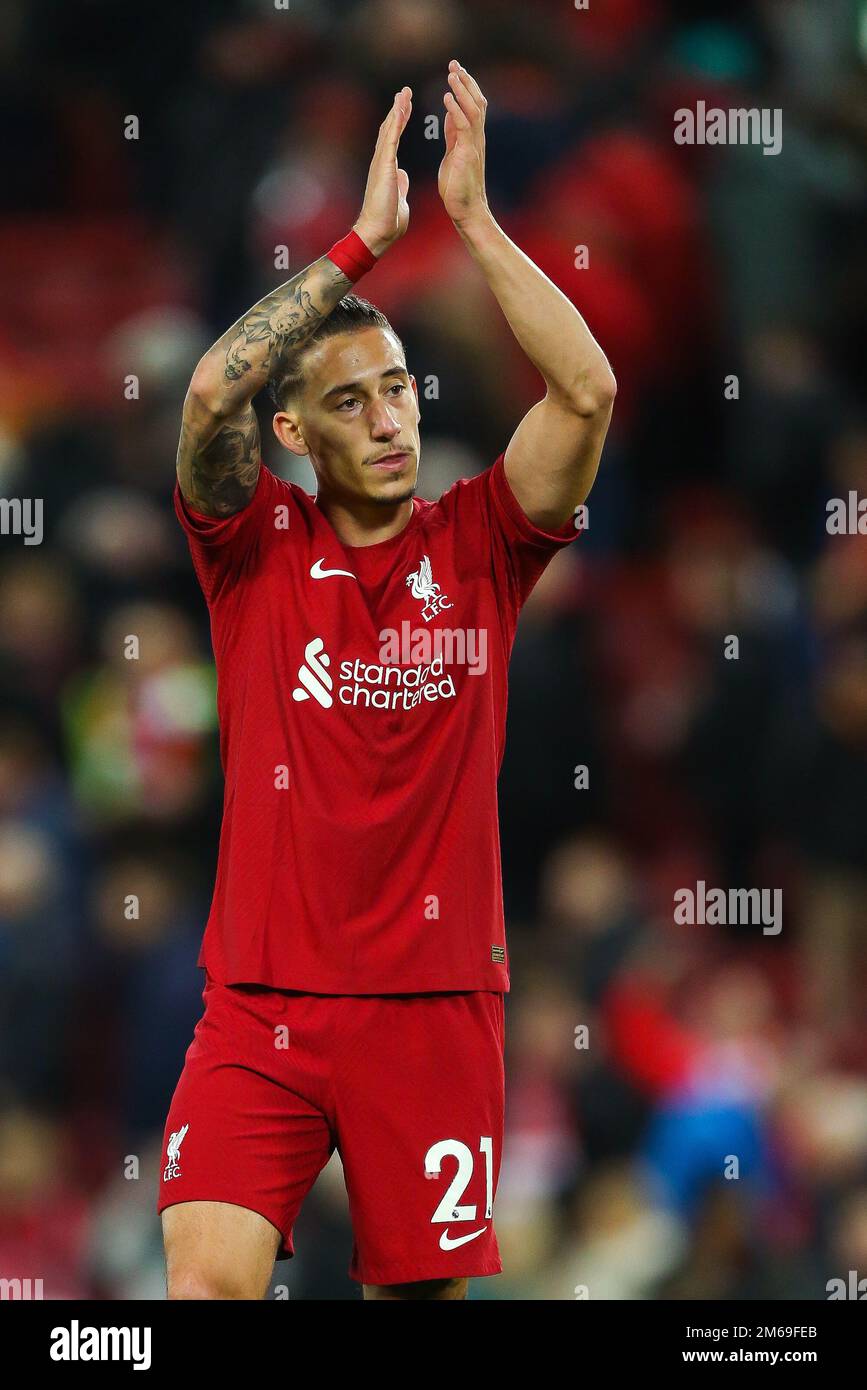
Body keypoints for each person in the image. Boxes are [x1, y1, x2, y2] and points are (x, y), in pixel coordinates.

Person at [158, 61, 615, 1301]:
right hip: (261, 1001)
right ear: (296, 436)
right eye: (350, 402)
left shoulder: (483, 544)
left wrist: (474, 225)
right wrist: (363, 243)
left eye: (401, 390)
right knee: (202, 1289)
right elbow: (210, 391)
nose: (389, 421)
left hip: (434, 1003)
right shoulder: (253, 552)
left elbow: (587, 392)